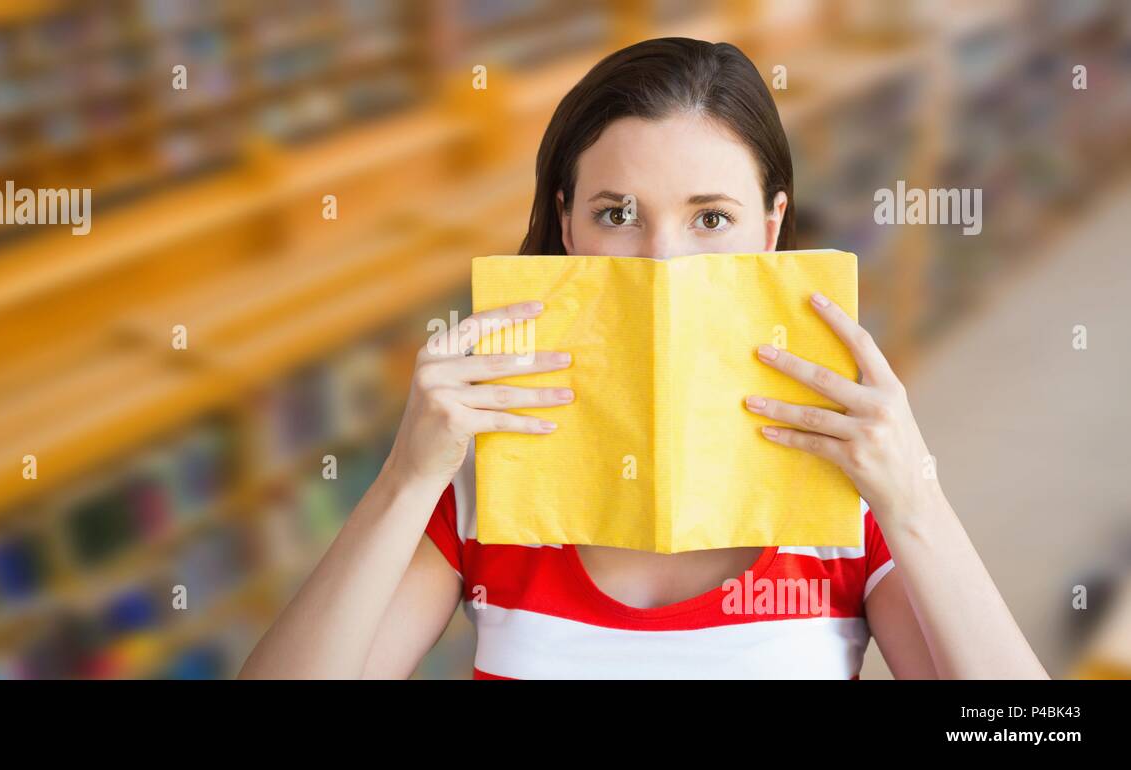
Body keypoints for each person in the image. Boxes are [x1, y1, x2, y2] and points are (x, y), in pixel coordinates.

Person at [239, 37, 1046, 679]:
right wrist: (403, 481)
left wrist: (917, 505)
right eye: (617, 212)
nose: (661, 265)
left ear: (769, 231)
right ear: (566, 226)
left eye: (710, 218)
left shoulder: (848, 490)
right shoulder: (487, 479)